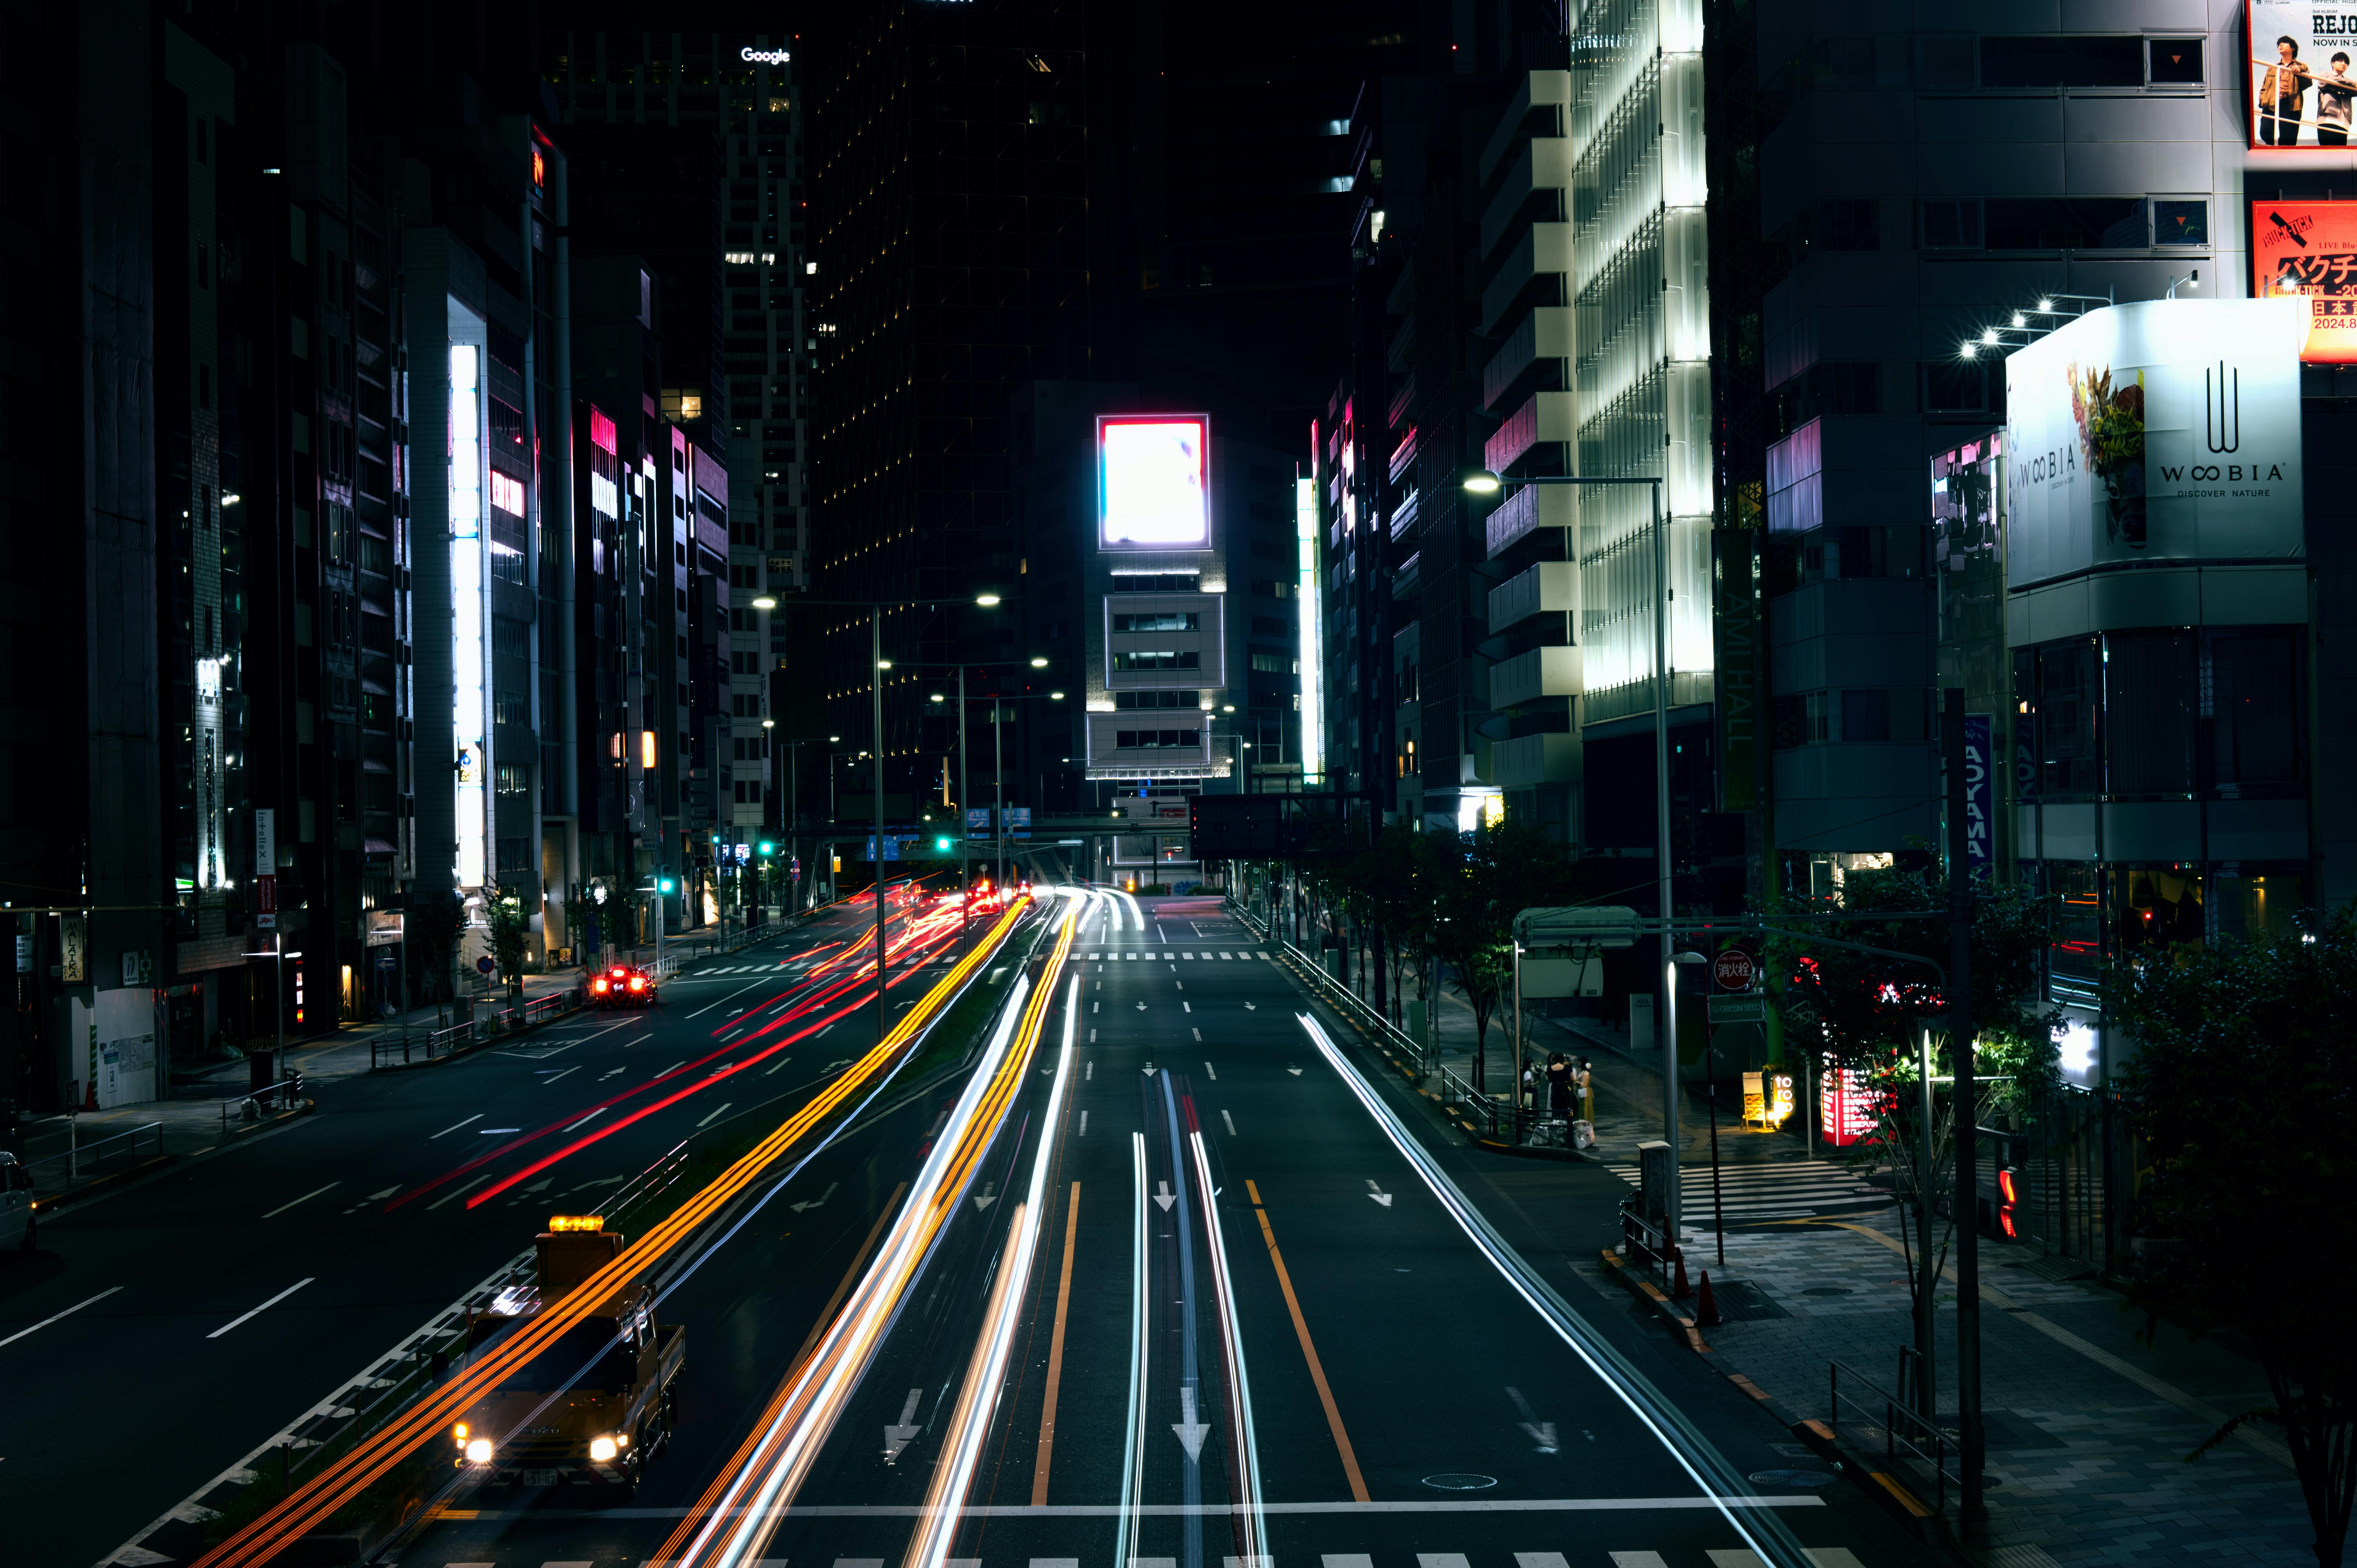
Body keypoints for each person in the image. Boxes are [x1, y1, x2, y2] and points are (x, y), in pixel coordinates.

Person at [2262, 36, 2311, 145]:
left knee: (2289, 138)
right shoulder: (2272, 68)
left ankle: (2282, 151)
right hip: (2271, 103)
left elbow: (2308, 84)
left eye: (2284, 43)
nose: (2281, 45)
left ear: (2293, 48)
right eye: (2279, 44)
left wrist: (2300, 72)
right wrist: (2263, 100)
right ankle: (2278, 147)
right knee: (2265, 131)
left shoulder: (2301, 66)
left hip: (2290, 104)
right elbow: (2264, 87)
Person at [2319, 53, 2355, 146]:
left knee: (2340, 157)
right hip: (2327, 120)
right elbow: (2330, 82)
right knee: (2328, 155)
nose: (2344, 64)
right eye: (2340, 61)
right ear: (2333, 63)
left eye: (2346, 62)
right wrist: (2352, 83)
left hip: (2344, 123)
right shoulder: (2325, 75)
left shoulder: (2349, 84)